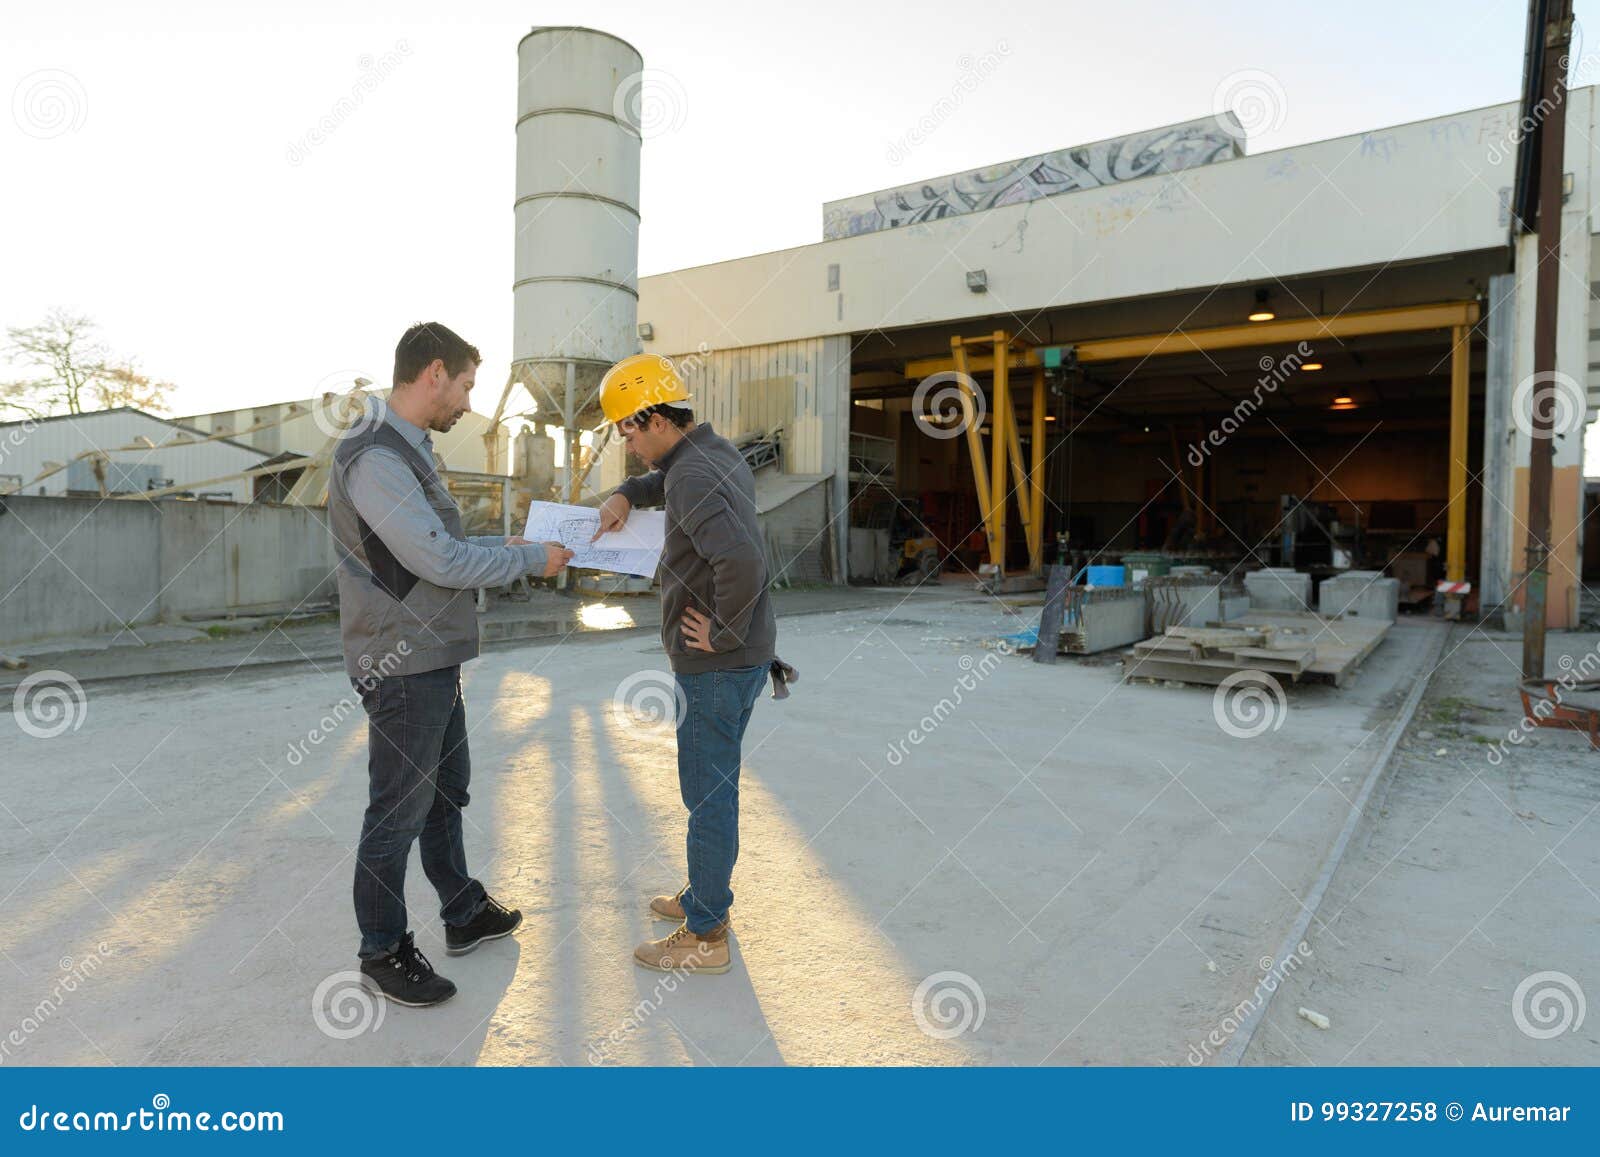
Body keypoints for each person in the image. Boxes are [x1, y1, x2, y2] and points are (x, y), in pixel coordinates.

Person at [327, 321, 573, 1007]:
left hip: (430, 655)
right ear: (433, 373)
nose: (468, 401)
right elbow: (435, 560)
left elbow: (438, 541)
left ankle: (462, 909)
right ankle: (381, 950)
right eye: (465, 384)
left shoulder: (409, 449)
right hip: (401, 663)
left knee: (445, 792)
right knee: (396, 812)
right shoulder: (376, 457)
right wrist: (526, 558)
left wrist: (510, 541)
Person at [593, 353, 779, 976]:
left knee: (707, 796)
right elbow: (665, 481)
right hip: (746, 660)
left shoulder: (692, 476)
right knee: (712, 789)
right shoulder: (710, 452)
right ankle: (704, 899)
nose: (625, 439)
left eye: (627, 427)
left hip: (718, 669)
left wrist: (721, 633)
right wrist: (625, 493)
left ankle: (706, 936)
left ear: (653, 418)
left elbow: (743, 563)